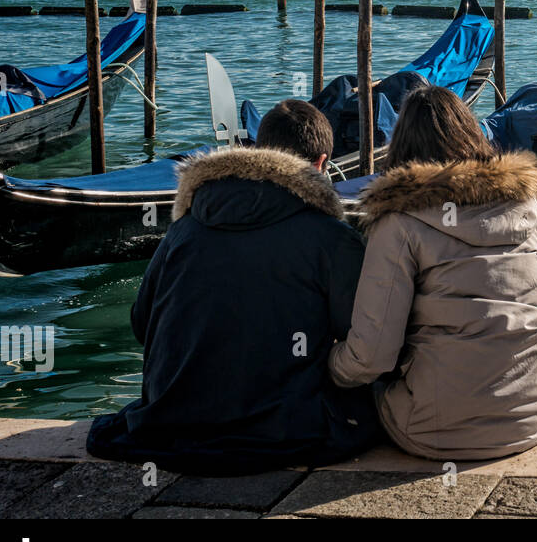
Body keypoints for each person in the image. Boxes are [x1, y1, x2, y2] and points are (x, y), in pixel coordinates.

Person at [87, 100, 381, 475]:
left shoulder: (184, 226)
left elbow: (141, 325)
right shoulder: (331, 237)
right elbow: (358, 333)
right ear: (322, 163)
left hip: (171, 419)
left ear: (258, 151)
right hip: (281, 427)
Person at [329, 85, 537, 461]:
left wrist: (330, 363)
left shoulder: (398, 223)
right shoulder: (526, 208)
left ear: (401, 146)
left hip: (432, 430)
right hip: (534, 418)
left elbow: (372, 357)